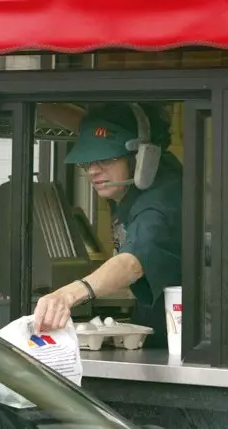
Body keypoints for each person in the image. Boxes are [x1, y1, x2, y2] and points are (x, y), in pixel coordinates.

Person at [33, 102, 183, 349]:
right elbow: (87, 127)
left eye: (105, 159)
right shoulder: (141, 168)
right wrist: (35, 102)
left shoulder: (159, 203)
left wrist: (67, 295)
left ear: (140, 157)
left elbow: (132, 263)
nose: (93, 171)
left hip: (179, 335)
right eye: (88, 161)